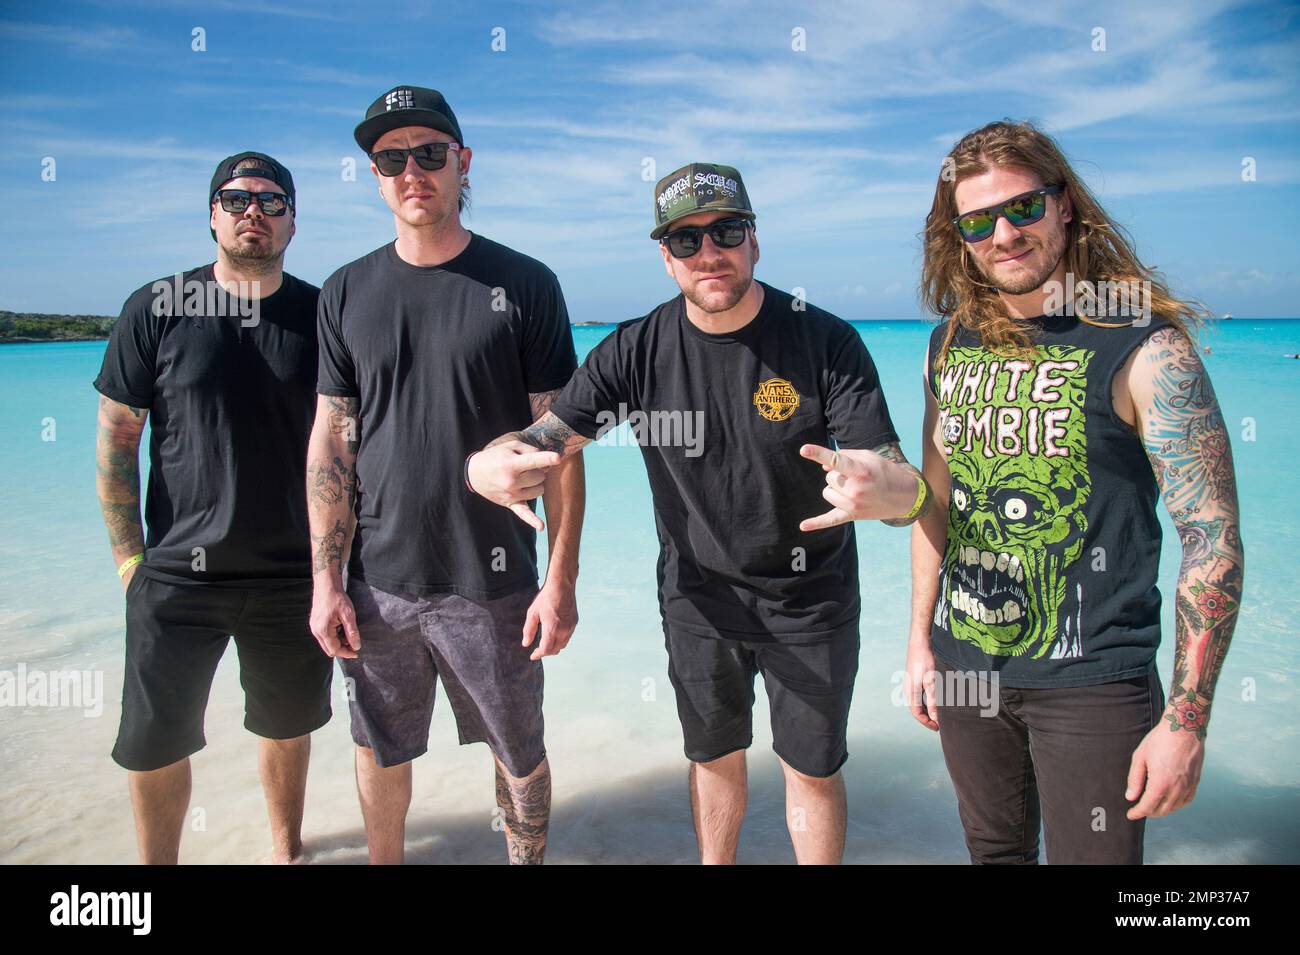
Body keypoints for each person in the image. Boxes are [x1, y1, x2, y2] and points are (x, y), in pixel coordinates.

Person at [467, 163, 930, 864]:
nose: (709, 251)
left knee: (812, 766)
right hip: (697, 593)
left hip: (812, 596)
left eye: (727, 231)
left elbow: (898, 486)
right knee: (714, 756)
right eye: (686, 240)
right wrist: (482, 467)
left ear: (754, 240)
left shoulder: (825, 340)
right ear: (665, 256)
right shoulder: (634, 349)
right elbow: (544, 444)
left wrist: (887, 491)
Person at [900, 119, 1244, 863]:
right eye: (978, 220)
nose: (1004, 234)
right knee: (993, 854)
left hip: (1094, 680)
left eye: (1023, 208)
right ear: (957, 236)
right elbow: (938, 502)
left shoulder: (1146, 345)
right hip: (968, 669)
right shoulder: (949, 342)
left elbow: (1212, 540)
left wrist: (1187, 719)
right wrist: (919, 642)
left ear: (1064, 206)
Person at [306, 86, 582, 865]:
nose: (411, 171)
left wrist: (559, 580)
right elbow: (332, 443)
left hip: (493, 579)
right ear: (374, 174)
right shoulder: (345, 292)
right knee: (377, 746)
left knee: (518, 753)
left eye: (430, 153)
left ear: (463, 163)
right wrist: (327, 581)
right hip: (377, 579)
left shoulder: (524, 284)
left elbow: (562, 447)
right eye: (391, 158)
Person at [94, 152, 331, 864]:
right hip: (175, 575)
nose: (251, 211)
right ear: (211, 214)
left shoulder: (322, 314)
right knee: (153, 740)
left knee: (287, 725)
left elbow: (353, 443)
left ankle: (286, 850)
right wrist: (129, 560)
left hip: (293, 574)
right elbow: (116, 443)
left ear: (293, 218)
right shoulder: (156, 308)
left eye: (270, 200)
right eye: (234, 199)